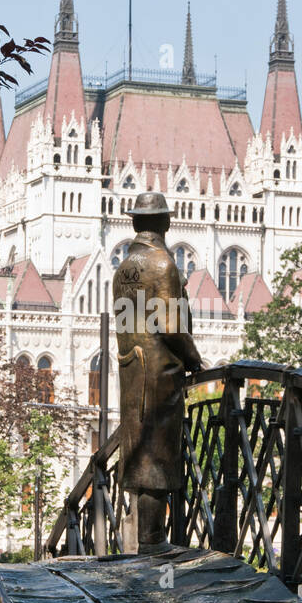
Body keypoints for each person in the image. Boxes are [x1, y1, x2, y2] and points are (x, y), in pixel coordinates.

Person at [112, 191, 202, 551]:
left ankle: (148, 537)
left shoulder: (124, 267)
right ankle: (152, 539)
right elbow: (172, 325)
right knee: (158, 452)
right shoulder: (162, 263)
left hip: (132, 368)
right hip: (161, 372)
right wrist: (194, 358)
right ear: (163, 222)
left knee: (141, 447)